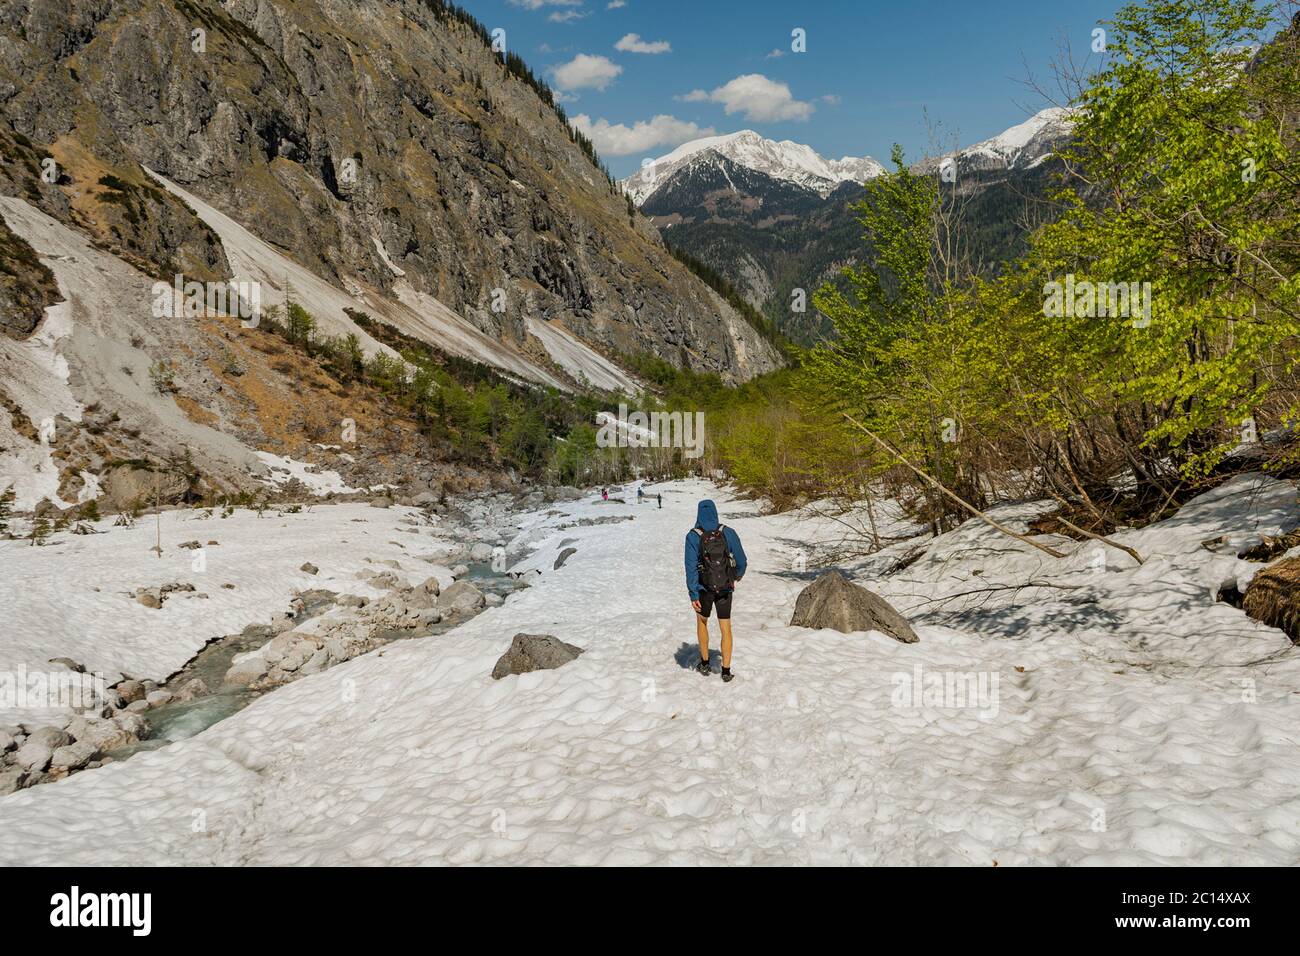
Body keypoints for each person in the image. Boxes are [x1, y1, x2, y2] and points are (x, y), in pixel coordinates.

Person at [684, 499, 747, 682]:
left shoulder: (693, 536)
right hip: (726, 587)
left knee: (702, 622)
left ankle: (704, 662)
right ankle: (726, 671)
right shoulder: (727, 532)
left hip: (704, 589)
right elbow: (742, 560)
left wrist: (693, 593)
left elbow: (690, 568)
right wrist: (736, 576)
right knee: (725, 627)